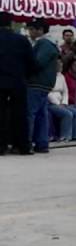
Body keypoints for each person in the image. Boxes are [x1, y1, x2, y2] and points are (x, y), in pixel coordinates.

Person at [0, 13, 34, 155]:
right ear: (11, 24)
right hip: (18, 81)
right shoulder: (21, 40)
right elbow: (31, 62)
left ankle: (1, 146)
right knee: (20, 114)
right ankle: (22, 146)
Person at [24, 20, 59, 154]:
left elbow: (37, 62)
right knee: (41, 115)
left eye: (32, 29)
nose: (30, 32)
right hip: (44, 84)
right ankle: (42, 143)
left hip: (36, 83)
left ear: (40, 30)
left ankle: (28, 142)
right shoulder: (51, 43)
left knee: (31, 114)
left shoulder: (44, 43)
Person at [46, 59, 76, 141]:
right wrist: (58, 103)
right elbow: (48, 92)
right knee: (67, 114)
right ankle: (64, 136)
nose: (60, 67)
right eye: (58, 65)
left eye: (61, 65)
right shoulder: (48, 76)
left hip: (62, 102)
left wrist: (64, 102)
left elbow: (66, 91)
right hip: (52, 103)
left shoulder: (61, 76)